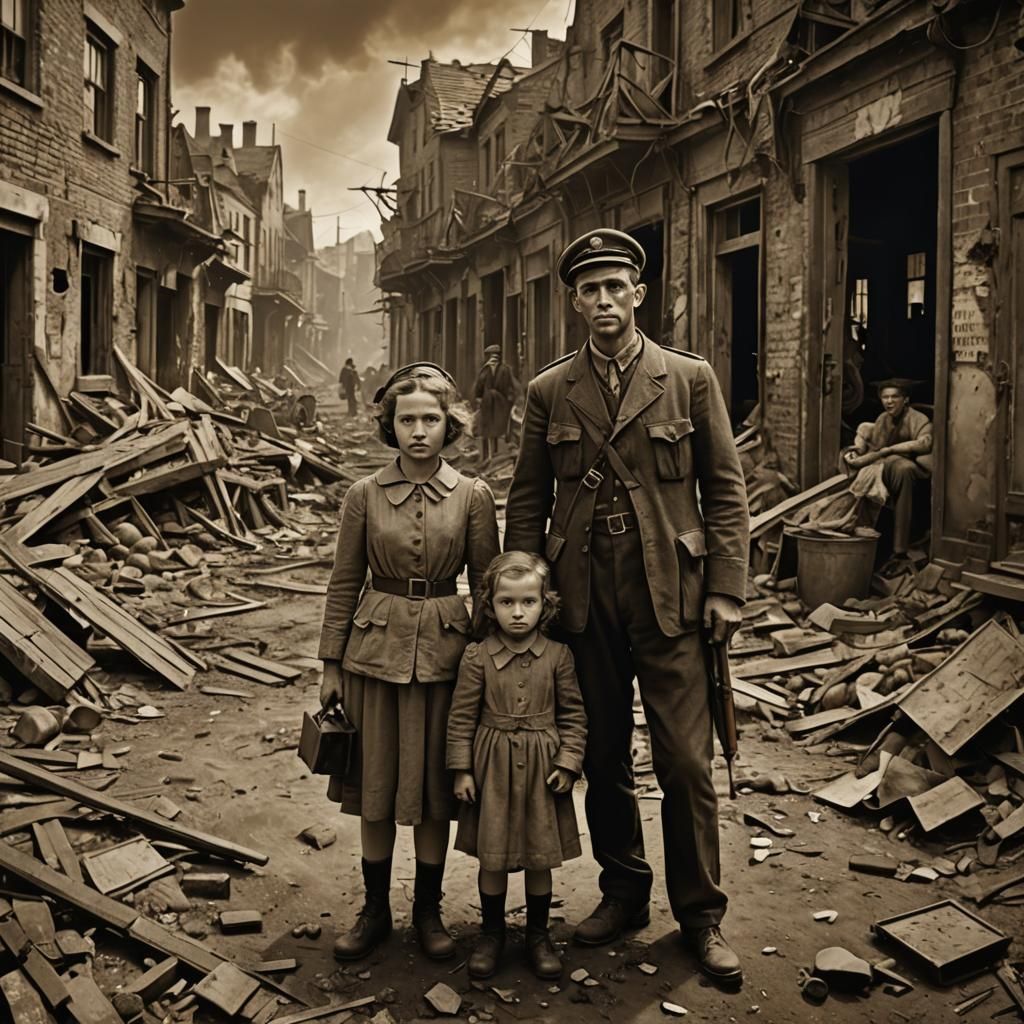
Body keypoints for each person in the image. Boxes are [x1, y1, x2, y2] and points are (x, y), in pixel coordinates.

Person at [504, 229, 749, 981]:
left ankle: (701, 916)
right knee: (601, 754)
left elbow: (726, 490)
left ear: (639, 294)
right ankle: (624, 892)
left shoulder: (688, 378)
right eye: (590, 290)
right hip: (582, 597)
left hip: (670, 594)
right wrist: (522, 595)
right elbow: (527, 500)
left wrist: (726, 588)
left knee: (687, 763)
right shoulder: (550, 390)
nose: (604, 300)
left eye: (616, 286)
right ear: (574, 303)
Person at [318, 362, 500, 963]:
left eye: (430, 419)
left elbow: (488, 588)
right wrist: (331, 664)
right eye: (406, 420)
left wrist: (490, 670)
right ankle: (375, 910)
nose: (419, 431)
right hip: (373, 657)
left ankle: (428, 911)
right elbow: (344, 582)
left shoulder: (473, 496)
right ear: (389, 426)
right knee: (374, 785)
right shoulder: (363, 495)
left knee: (433, 791)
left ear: (450, 424)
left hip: (446, 662)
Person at [447, 551, 587, 980]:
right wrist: (462, 770)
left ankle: (538, 937)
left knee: (539, 856)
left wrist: (568, 762)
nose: (518, 612)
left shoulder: (559, 656)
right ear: (490, 606)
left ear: (546, 604)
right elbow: (461, 718)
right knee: (492, 857)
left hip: (543, 772)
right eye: (507, 602)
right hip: (492, 769)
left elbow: (574, 716)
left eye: (529, 601)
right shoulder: (477, 657)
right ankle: (492, 935)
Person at [843, 378, 932, 569]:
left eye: (894, 397)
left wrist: (890, 450)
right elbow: (874, 446)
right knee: (860, 476)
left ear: (905, 399)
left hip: (911, 467)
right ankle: (858, 531)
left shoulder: (919, 419)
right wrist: (857, 451)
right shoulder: (883, 418)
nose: (889, 401)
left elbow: (925, 444)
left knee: (903, 470)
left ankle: (900, 548)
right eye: (885, 397)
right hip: (883, 465)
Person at [473, 344, 516, 463]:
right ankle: (486, 456)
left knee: (497, 427)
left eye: (496, 356)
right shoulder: (485, 370)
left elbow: (510, 386)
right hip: (487, 402)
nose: (494, 359)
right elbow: (479, 386)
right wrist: (479, 398)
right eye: (492, 356)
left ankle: (496, 454)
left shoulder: (505, 369)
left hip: (500, 403)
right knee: (486, 428)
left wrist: (509, 400)